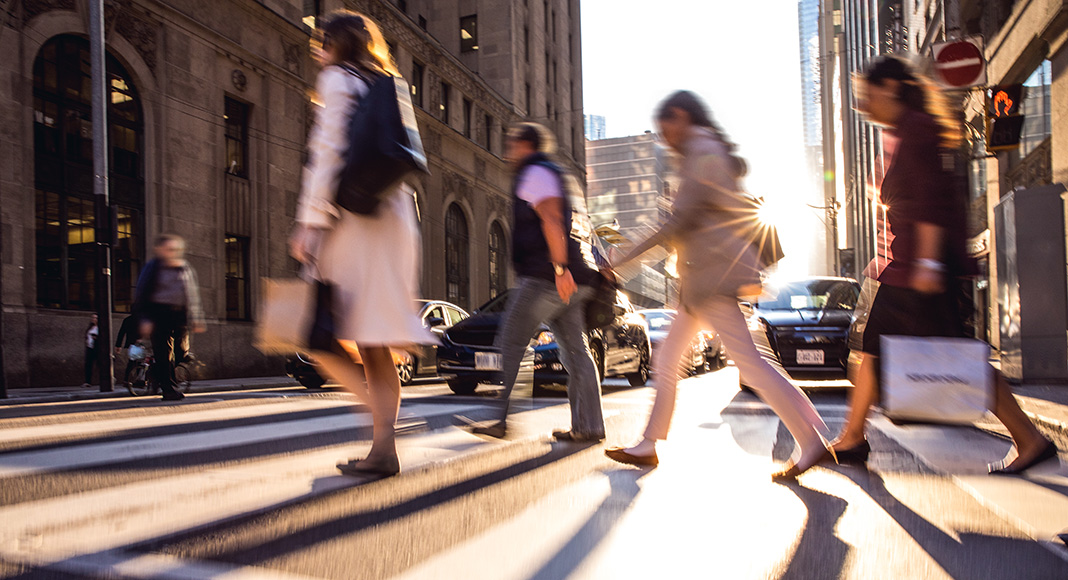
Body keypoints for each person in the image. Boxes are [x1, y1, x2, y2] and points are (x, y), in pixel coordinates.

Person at [832, 56, 1058, 474]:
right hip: (904, 266)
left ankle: (1029, 440)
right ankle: (854, 436)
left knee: (901, 350)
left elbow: (929, 200)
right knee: (875, 348)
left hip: (918, 269)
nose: (862, 105)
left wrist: (928, 263)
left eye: (867, 94)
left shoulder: (916, 128)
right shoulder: (900, 132)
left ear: (891, 88)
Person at [604, 91, 833, 481]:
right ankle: (649, 443)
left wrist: (620, 260)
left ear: (681, 116)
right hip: (701, 282)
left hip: (712, 283)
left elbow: (676, 224)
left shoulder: (702, 151)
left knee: (750, 365)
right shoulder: (702, 150)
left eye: (665, 128)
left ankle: (812, 438)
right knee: (669, 361)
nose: (664, 138)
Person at [288, 10, 431, 478]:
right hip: (393, 216)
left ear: (336, 44)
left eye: (322, 41)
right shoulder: (382, 82)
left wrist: (309, 223)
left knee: (323, 337)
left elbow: (328, 152)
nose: (318, 50)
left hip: (354, 223)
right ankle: (383, 446)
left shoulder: (336, 80)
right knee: (370, 341)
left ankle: (382, 430)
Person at [471, 122, 605, 442]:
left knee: (511, 341)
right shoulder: (559, 174)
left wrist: (559, 268)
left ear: (526, 145)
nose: (508, 152)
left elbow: (552, 219)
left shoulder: (535, 171)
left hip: (546, 277)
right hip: (576, 276)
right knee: (576, 353)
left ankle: (501, 420)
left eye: (511, 145)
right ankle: (589, 426)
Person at [132, 234, 205, 401]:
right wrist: (144, 319)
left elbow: (192, 293)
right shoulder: (153, 267)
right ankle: (169, 390)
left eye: (176, 249)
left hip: (180, 315)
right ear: (159, 250)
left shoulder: (184, 267)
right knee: (164, 354)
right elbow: (141, 293)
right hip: (158, 314)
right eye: (169, 249)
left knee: (182, 352)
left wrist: (197, 316)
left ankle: (158, 372)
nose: (173, 252)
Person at [82, 314, 99, 388]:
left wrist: (96, 337)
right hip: (89, 347)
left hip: (97, 348)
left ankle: (107, 379)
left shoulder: (100, 328)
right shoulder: (90, 327)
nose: (93, 319)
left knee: (100, 365)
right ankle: (88, 381)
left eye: (95, 318)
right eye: (92, 318)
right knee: (88, 364)